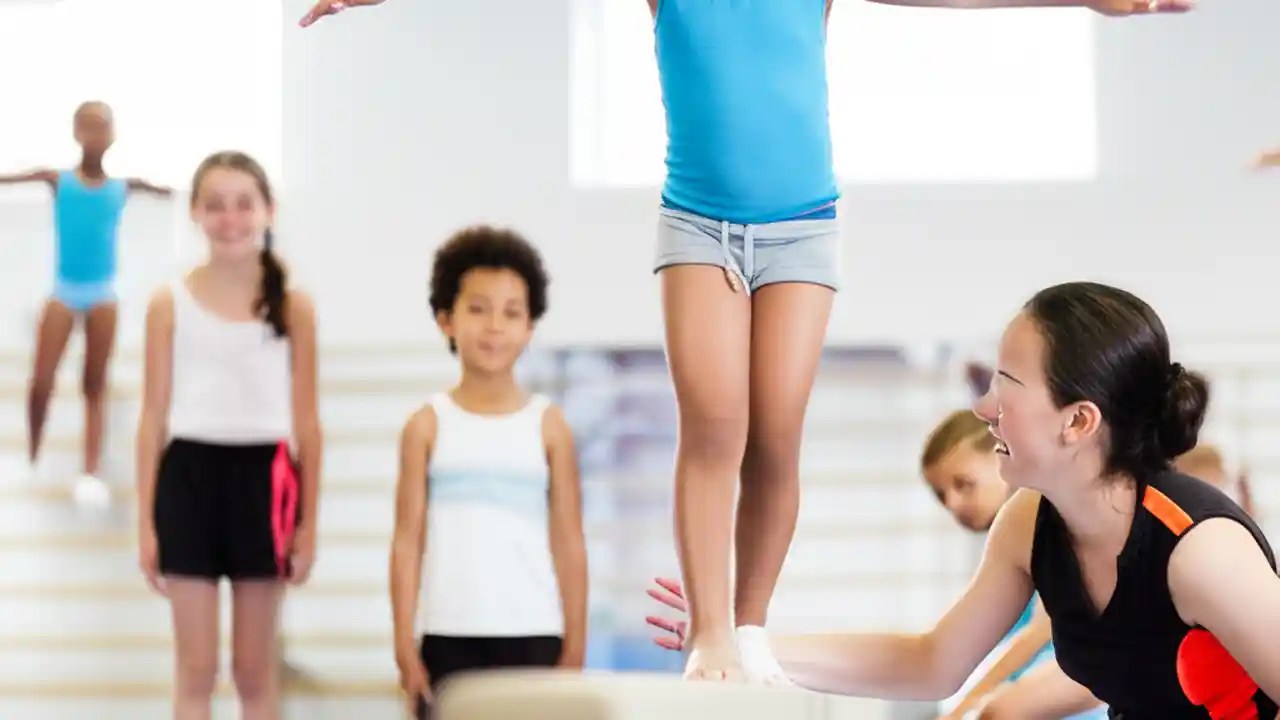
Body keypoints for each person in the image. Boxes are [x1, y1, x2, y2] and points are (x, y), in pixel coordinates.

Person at [296, 0, 1193, 687]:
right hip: (699, 225)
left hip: (803, 228)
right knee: (714, 426)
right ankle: (711, 632)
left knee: (774, 433)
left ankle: (751, 625)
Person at [646, 281, 1280, 719]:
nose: (984, 409)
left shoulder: (1199, 551)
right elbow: (932, 662)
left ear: (1078, 421)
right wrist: (740, 641)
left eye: (1006, 383)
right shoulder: (1030, 523)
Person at [134, 151, 321, 720]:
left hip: (267, 481)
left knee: (253, 670)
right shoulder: (170, 303)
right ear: (194, 213)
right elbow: (152, 416)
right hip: (188, 478)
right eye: (215, 206)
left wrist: (308, 524)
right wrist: (145, 521)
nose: (230, 218)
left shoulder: (293, 305)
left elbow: (308, 421)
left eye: (244, 204)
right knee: (195, 669)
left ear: (268, 210)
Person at [389, 226, 589, 719]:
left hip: (535, 635)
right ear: (446, 319)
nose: (494, 326)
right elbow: (406, 541)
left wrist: (576, 642)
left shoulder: (550, 427)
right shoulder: (426, 426)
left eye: (511, 312)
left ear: (529, 326)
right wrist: (403, 643)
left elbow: (569, 541)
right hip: (447, 636)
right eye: (478, 309)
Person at [0, 101, 171, 493]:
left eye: (103, 127)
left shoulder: (121, 187)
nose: (96, 135)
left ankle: (90, 471)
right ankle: (32, 454)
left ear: (112, 134)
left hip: (102, 295)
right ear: (76, 132)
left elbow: (164, 190)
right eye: (88, 126)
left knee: (94, 384)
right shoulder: (58, 180)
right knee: (41, 381)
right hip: (64, 290)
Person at [919, 411, 1106, 720]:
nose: (952, 504)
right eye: (941, 495)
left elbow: (1040, 632)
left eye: (964, 484)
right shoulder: (1000, 548)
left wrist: (968, 704)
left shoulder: (1046, 520)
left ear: (1003, 456)